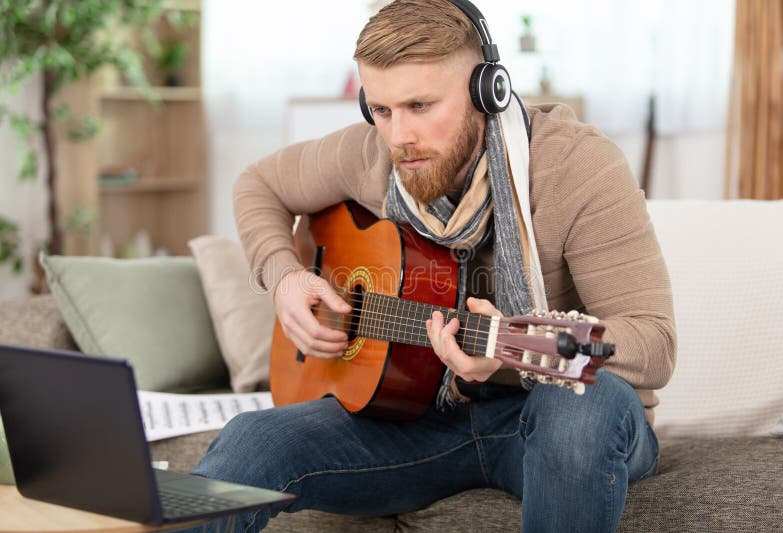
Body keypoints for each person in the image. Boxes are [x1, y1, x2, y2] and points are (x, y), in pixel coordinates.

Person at [191, 1, 676, 531]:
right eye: (380, 110)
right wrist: (285, 276)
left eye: (421, 105)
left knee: (580, 410)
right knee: (252, 438)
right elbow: (258, 185)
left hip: (554, 412)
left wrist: (508, 351)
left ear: (483, 91)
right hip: (422, 417)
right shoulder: (373, 154)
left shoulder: (576, 166)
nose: (399, 136)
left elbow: (654, 344)